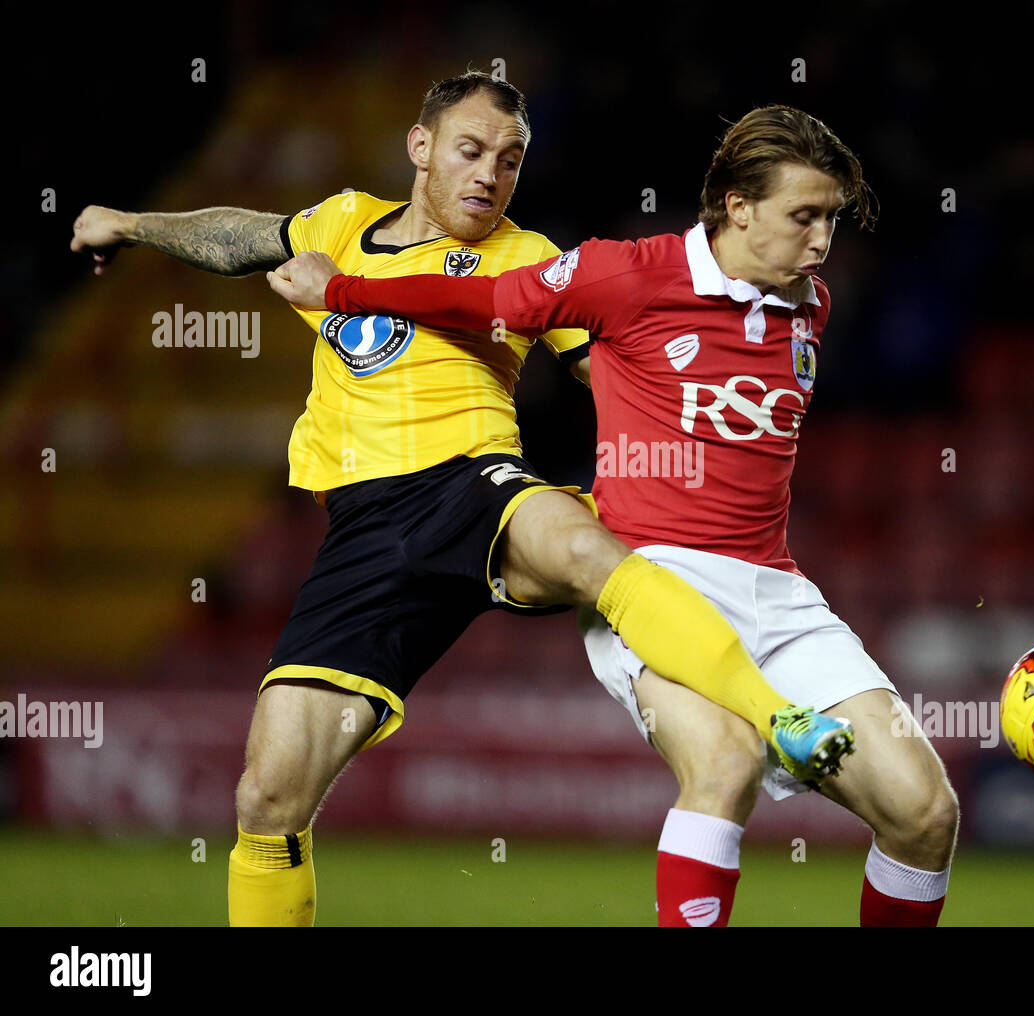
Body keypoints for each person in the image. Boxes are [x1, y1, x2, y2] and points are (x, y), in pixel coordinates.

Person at [69, 76, 854, 927]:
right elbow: (243, 239)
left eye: (510, 162)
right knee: (266, 800)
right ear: (421, 148)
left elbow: (619, 368)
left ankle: (781, 715)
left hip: (476, 487)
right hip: (365, 533)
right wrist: (131, 225)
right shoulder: (341, 224)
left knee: (591, 549)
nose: (490, 175)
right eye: (471, 151)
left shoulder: (526, 257)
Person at [269, 103, 961, 928]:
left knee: (926, 814)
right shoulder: (626, 273)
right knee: (726, 762)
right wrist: (341, 288)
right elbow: (487, 299)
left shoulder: (809, 304)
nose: (821, 242)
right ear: (738, 207)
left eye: (831, 220)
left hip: (780, 593)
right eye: (803, 217)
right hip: (655, 582)